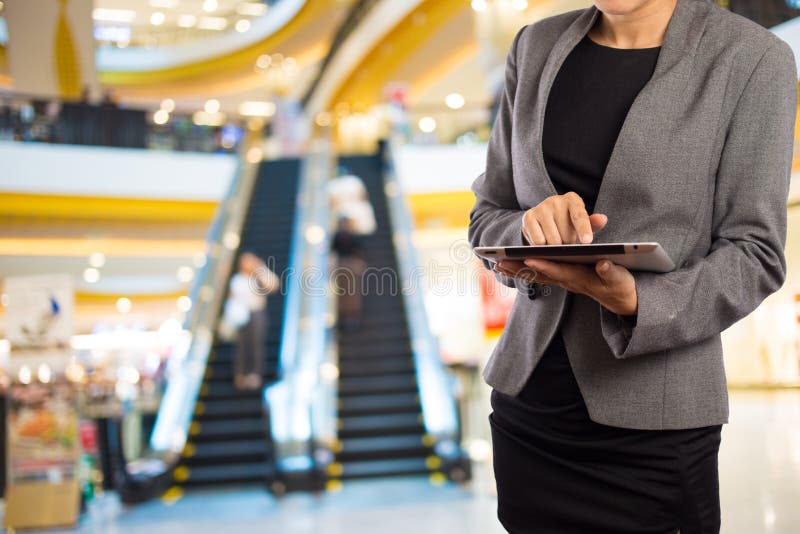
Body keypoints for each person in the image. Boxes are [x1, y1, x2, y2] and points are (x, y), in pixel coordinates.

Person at [468, 0, 796, 532]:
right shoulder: (535, 46)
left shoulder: (752, 58)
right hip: (532, 408)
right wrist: (528, 228)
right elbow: (487, 219)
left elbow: (754, 253)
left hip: (655, 423)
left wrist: (637, 301)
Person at [228, 252, 279, 390]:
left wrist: (261, 269)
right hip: (241, 316)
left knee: (256, 344)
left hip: (256, 313)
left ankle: (254, 374)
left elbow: (273, 285)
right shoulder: (238, 279)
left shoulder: (258, 278)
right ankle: (241, 374)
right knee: (242, 346)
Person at [331, 216, 366, 330]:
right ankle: (345, 317)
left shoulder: (354, 237)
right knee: (343, 293)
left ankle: (353, 317)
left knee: (353, 293)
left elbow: (359, 253)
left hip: (351, 266)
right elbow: (333, 252)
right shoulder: (337, 237)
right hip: (341, 267)